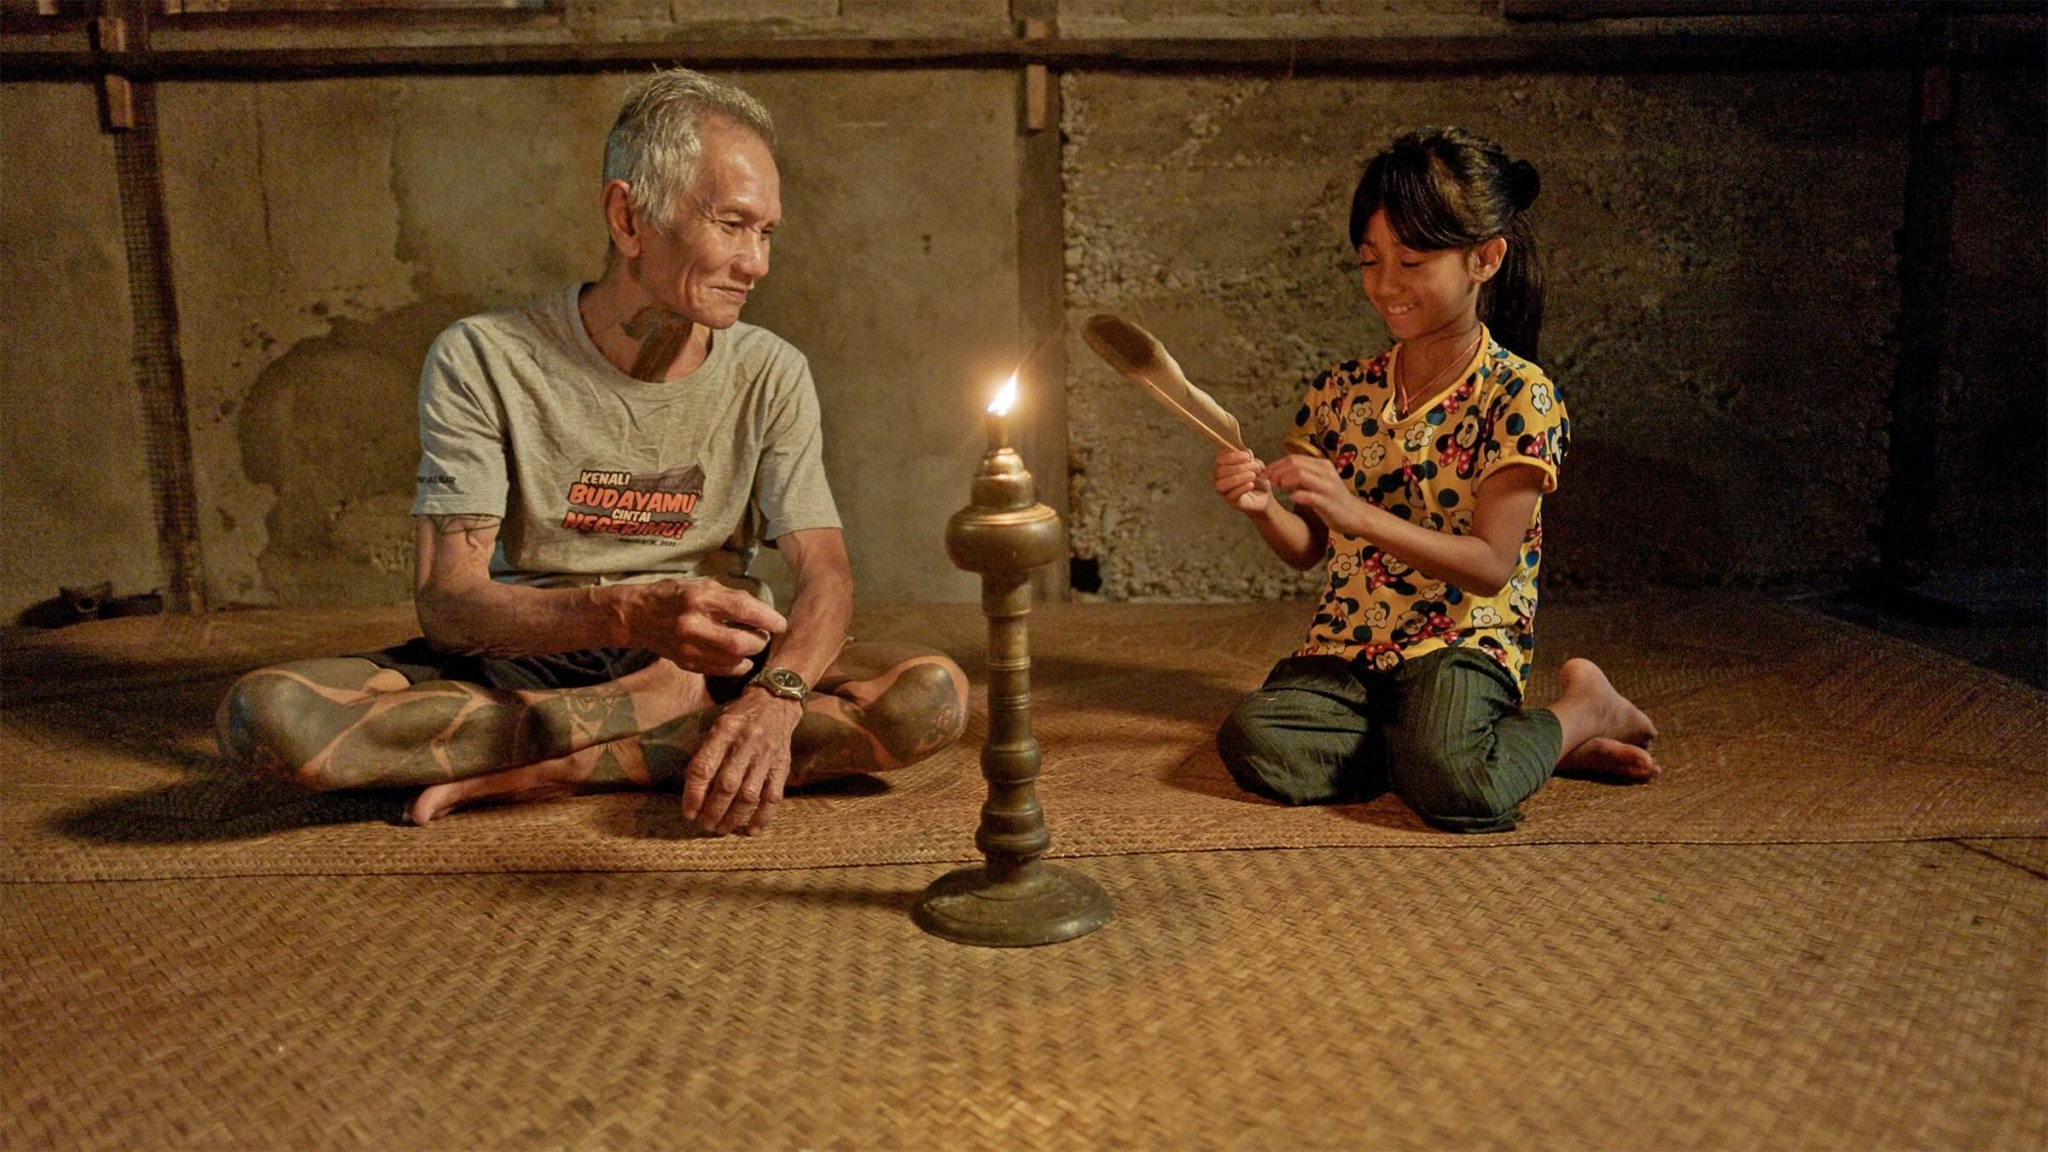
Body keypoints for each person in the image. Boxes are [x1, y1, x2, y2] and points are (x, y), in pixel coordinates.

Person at [216, 68, 968, 835]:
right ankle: (645, 726)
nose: (757, 264)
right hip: (529, 656)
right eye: (732, 225)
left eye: (766, 232)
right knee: (269, 718)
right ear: (628, 218)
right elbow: (449, 606)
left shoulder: (771, 372)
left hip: (712, 663)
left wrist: (775, 700)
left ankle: (565, 755)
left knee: (927, 696)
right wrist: (630, 616)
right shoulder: (485, 357)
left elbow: (826, 576)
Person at [1211, 126, 1657, 833]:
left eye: (1412, 261)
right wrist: (1264, 507)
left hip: (1460, 643)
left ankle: (1577, 714)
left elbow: (1490, 567)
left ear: (1485, 258)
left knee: (1459, 792)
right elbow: (1307, 548)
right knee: (1253, 739)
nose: (1387, 285)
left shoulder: (1520, 394)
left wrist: (1358, 515)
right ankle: (1490, 749)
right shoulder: (1340, 392)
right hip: (1348, 646)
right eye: (1369, 260)